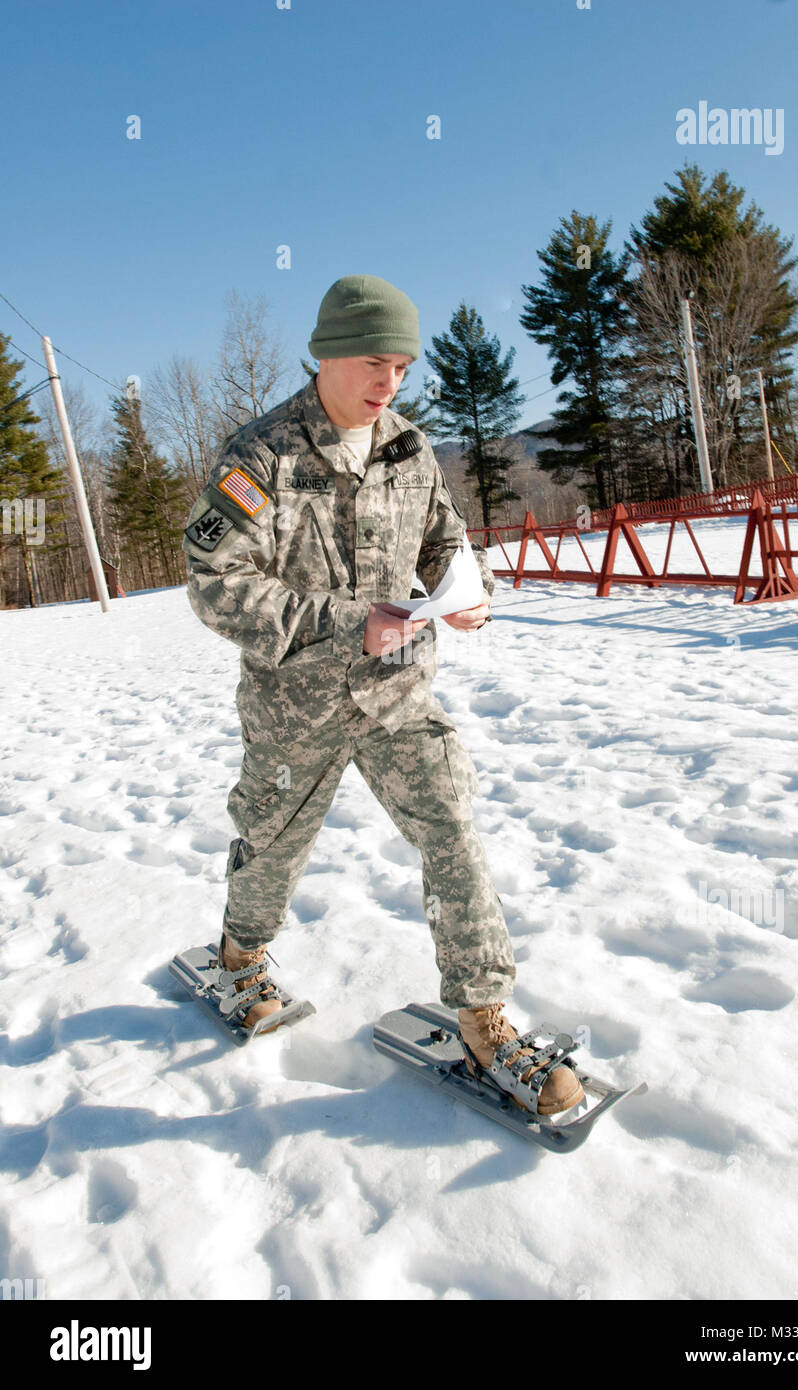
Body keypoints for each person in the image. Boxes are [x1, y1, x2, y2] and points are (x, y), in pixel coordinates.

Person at [181, 274, 582, 1115]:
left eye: (402, 365)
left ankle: (483, 1018)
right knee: (272, 846)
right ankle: (240, 957)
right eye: (374, 361)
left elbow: (444, 539)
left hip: (399, 696)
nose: (389, 381)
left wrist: (464, 588)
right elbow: (214, 582)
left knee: (453, 831)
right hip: (300, 709)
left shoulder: (407, 446)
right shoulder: (261, 457)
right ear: (326, 353)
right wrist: (342, 623)